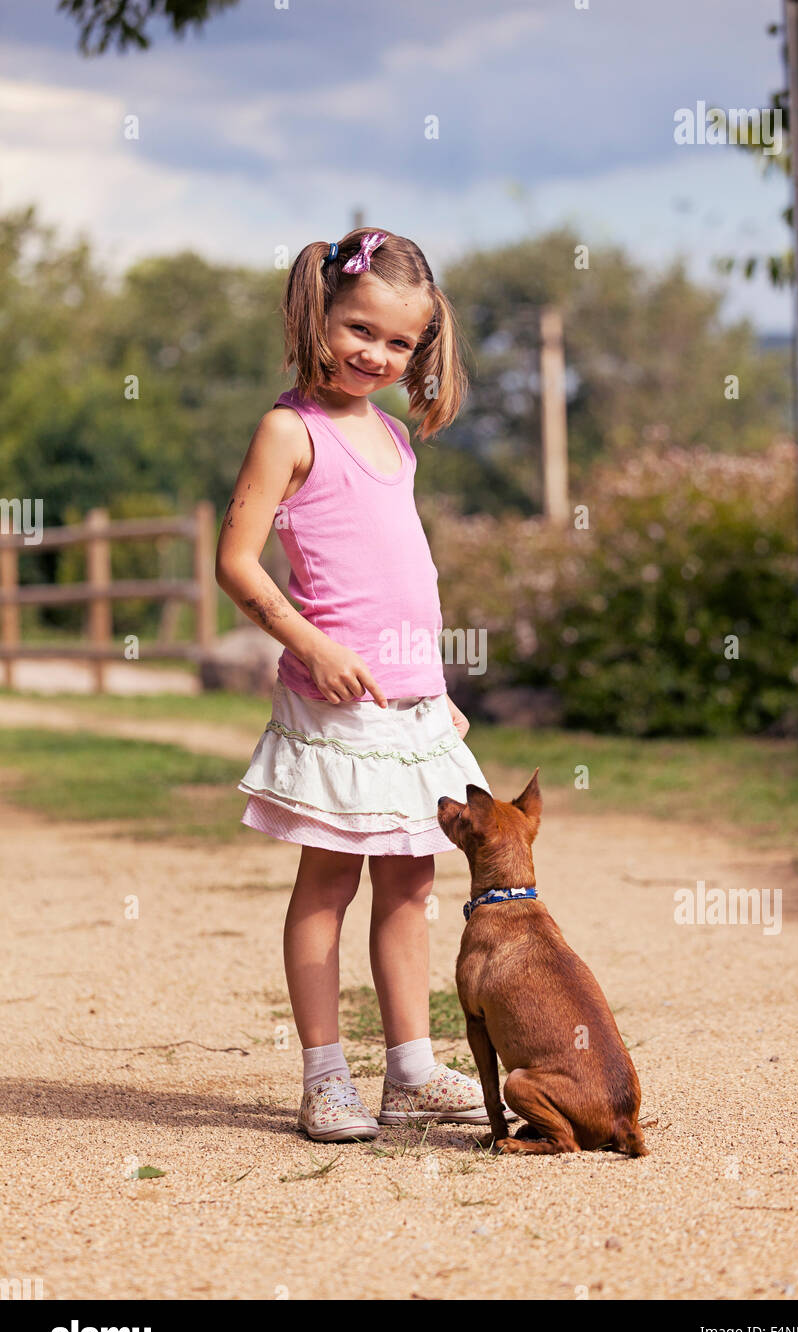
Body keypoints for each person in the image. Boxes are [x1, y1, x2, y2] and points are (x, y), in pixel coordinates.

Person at [216, 227, 498, 1143]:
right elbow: (237, 564)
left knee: (411, 885)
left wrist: (432, 684)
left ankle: (412, 1069)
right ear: (318, 315)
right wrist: (311, 644)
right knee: (328, 884)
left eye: (398, 343)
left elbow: (399, 571)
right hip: (335, 700)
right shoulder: (286, 430)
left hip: (409, 701)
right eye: (359, 330)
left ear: (422, 345)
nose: (375, 355)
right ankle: (323, 1076)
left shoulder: (391, 437)